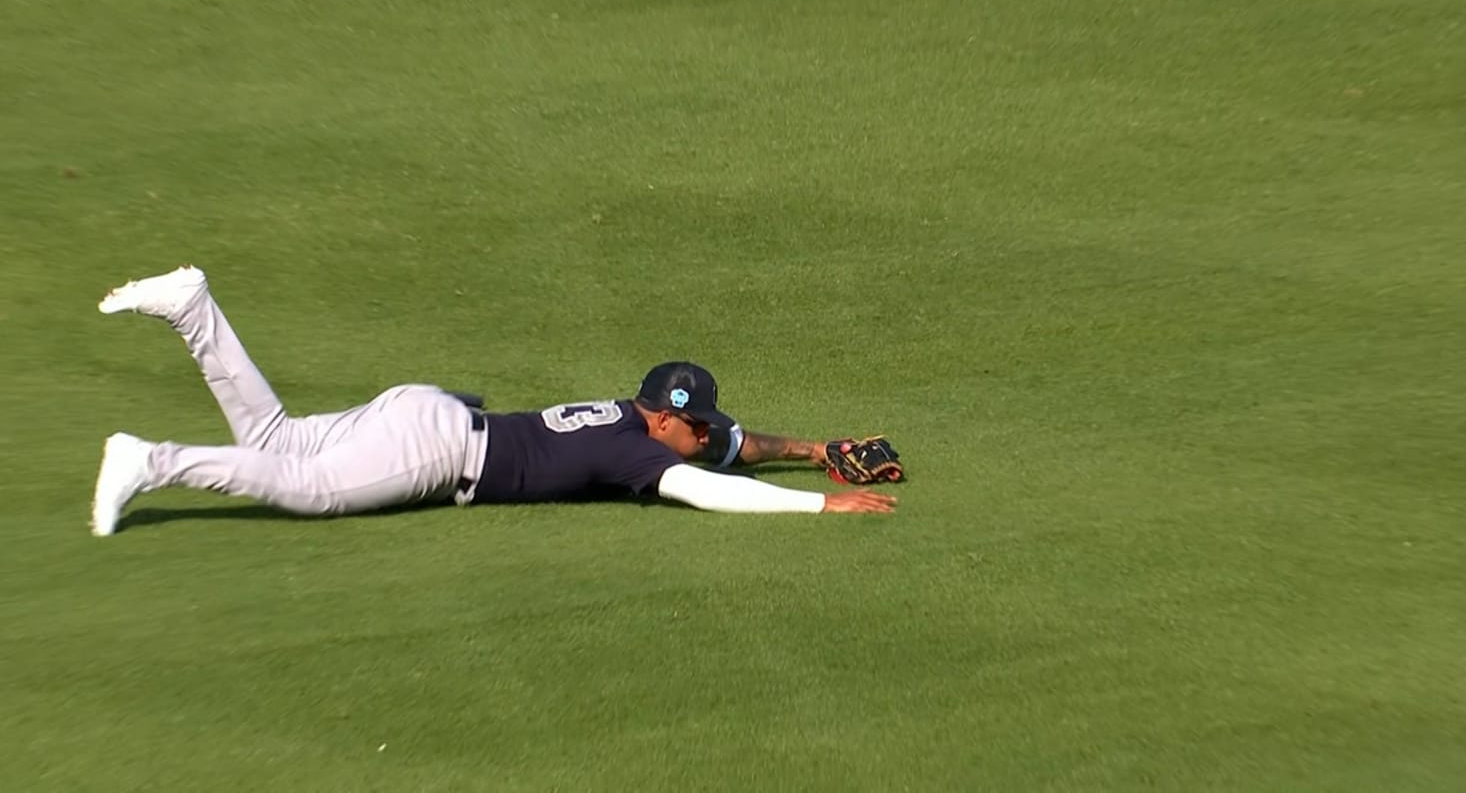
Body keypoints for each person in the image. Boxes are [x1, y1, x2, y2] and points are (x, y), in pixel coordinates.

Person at [89, 266, 898, 536]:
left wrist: (810, 450)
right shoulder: (640, 453)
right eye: (696, 425)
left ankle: (194, 306)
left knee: (275, 437)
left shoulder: (633, 415)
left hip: (424, 410)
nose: (705, 435)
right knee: (307, 492)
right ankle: (150, 461)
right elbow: (707, 485)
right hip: (437, 452)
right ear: (665, 420)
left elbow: (732, 446)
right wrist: (818, 507)